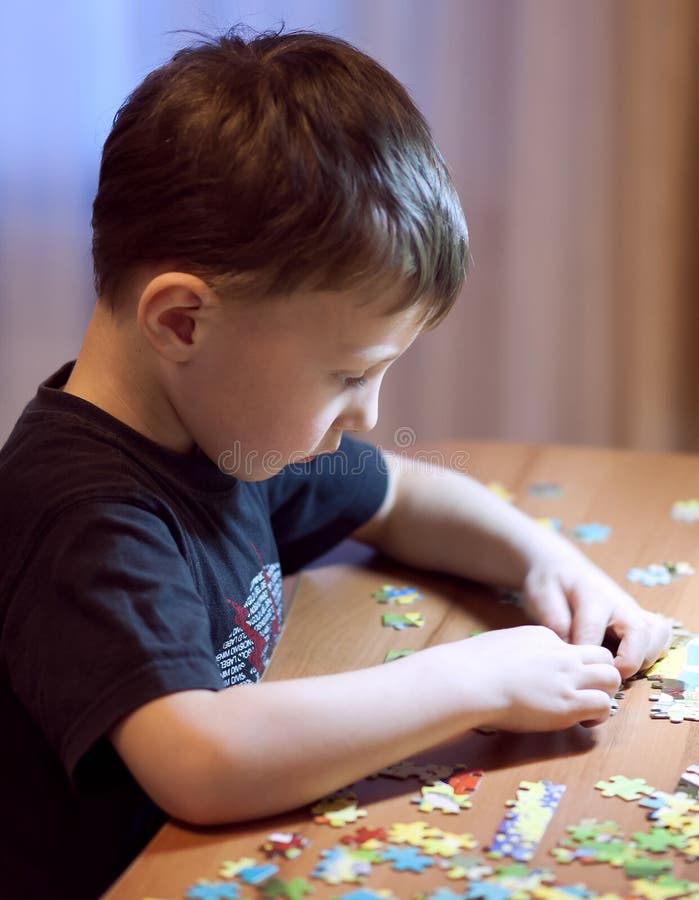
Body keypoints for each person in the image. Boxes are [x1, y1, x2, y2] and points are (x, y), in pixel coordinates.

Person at [0, 27, 671, 899]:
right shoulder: (83, 517)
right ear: (181, 324)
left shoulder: (221, 427)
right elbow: (198, 760)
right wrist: (468, 680)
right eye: (349, 373)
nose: (370, 414)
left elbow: (402, 494)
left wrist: (551, 563)